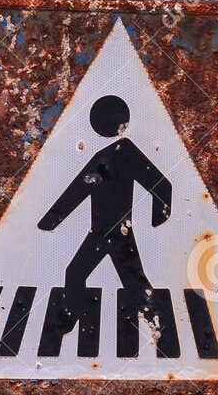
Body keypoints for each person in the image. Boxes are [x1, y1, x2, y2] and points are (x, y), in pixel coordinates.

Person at [37, 95, 172, 291]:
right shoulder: (105, 155)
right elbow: (77, 190)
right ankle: (77, 317)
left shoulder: (124, 152)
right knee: (75, 275)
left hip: (117, 233)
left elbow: (162, 185)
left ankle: (156, 317)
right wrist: (50, 221)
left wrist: (158, 218)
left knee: (131, 285)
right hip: (99, 232)